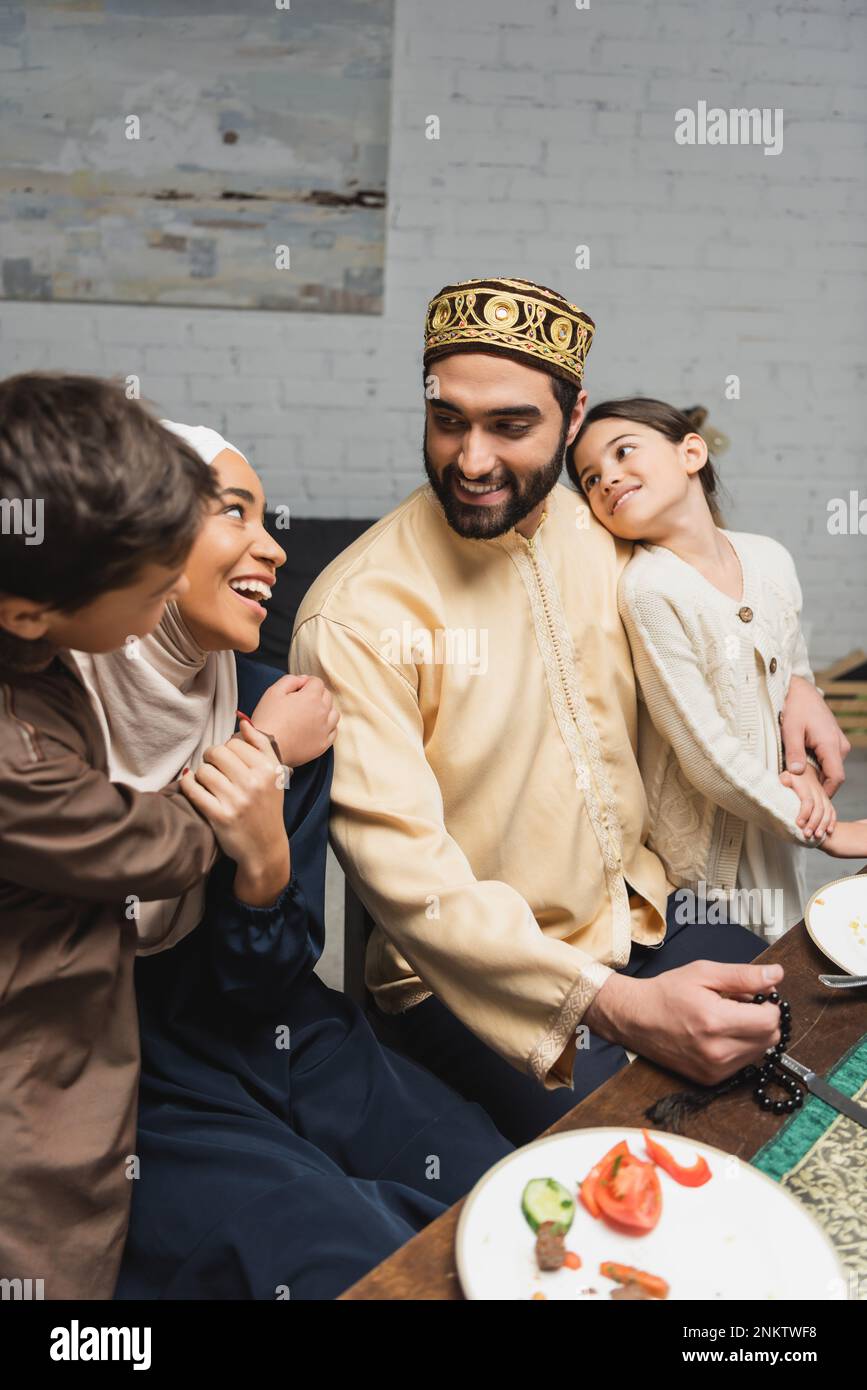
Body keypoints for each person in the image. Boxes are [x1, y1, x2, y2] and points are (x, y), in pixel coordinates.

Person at [289, 276, 851, 1147]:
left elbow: (729, 581)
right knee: (652, 1161)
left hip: (646, 915)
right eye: (448, 421)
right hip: (480, 981)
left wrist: (797, 681)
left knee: (827, 1050)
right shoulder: (357, 614)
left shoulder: (599, 526)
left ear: (571, 412)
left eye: (511, 426)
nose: (472, 460)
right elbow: (409, 880)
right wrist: (619, 1008)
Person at [73, 423, 513, 1302]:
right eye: (233, 512)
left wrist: (266, 867)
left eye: (267, 518)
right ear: (142, 529)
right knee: (338, 1260)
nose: (273, 547)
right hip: (118, 1068)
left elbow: (266, 981)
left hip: (283, 1033)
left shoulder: (276, 704)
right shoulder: (49, 715)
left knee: (502, 1199)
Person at [0, 375, 276, 1298]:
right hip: (30, 1068)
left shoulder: (29, 627)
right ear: (34, 616)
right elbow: (151, 844)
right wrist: (265, 753)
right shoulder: (16, 756)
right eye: (154, 586)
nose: (168, 593)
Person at [567, 397, 867, 943]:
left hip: (774, 823)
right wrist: (828, 831)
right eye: (589, 479)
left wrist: (803, 691)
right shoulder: (650, 591)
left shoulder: (769, 557)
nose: (607, 478)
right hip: (704, 862)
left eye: (623, 452)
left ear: (691, 452)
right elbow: (703, 750)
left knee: (791, 961)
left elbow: (788, 662)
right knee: (743, 975)